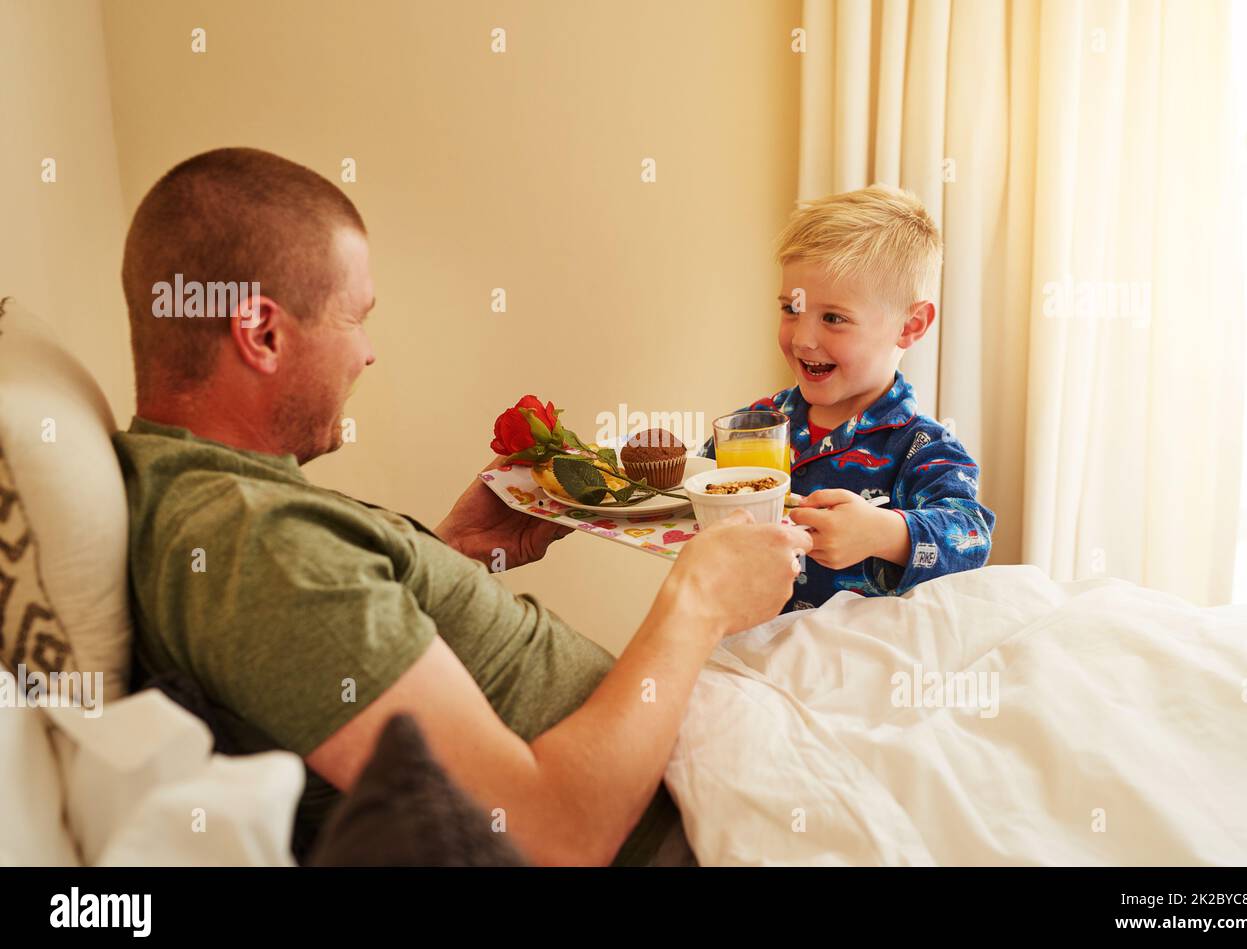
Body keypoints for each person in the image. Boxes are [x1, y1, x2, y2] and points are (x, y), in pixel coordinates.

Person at [112, 147, 813, 866]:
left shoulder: (217, 495)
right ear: (263, 334)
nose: (368, 354)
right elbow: (552, 834)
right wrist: (699, 602)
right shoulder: (253, 543)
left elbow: (352, 631)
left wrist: (465, 550)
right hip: (689, 835)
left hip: (702, 770)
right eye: (356, 319)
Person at [701, 185, 995, 611]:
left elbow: (970, 537)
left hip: (854, 664)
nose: (802, 338)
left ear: (910, 326)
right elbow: (690, 491)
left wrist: (882, 532)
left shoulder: (922, 449)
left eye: (833, 318)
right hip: (744, 649)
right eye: (791, 309)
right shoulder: (755, 423)